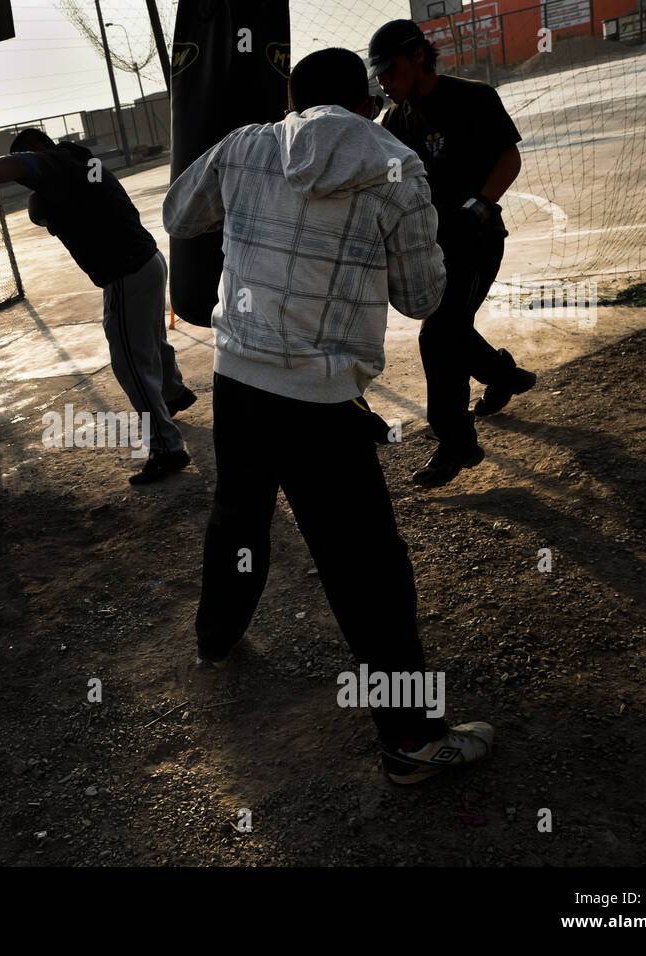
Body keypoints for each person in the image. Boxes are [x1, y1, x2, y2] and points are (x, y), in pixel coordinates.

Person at [162, 48, 493, 784]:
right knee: (367, 571)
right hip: (318, 401)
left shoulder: (248, 144)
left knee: (237, 517)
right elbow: (421, 298)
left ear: (292, 98)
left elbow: (177, 212)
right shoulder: (398, 165)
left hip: (239, 381)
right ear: (369, 100)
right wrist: (443, 241)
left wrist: (239, 182)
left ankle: (214, 639)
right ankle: (409, 740)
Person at [0, 133, 195, 485]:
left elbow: (22, 164)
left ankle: (168, 448)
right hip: (147, 261)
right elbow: (46, 211)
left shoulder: (55, 161)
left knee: (130, 365)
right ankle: (173, 392)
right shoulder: (81, 165)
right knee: (151, 341)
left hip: (125, 274)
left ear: (39, 149)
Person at [371, 18, 537, 487]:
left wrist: (481, 203)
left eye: (389, 68)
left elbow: (509, 156)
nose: (384, 80)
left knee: (437, 336)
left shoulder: (473, 97)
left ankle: (456, 442)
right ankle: (501, 375)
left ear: (417, 56)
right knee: (452, 331)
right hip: (433, 250)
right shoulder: (395, 122)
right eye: (377, 73)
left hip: (477, 241)